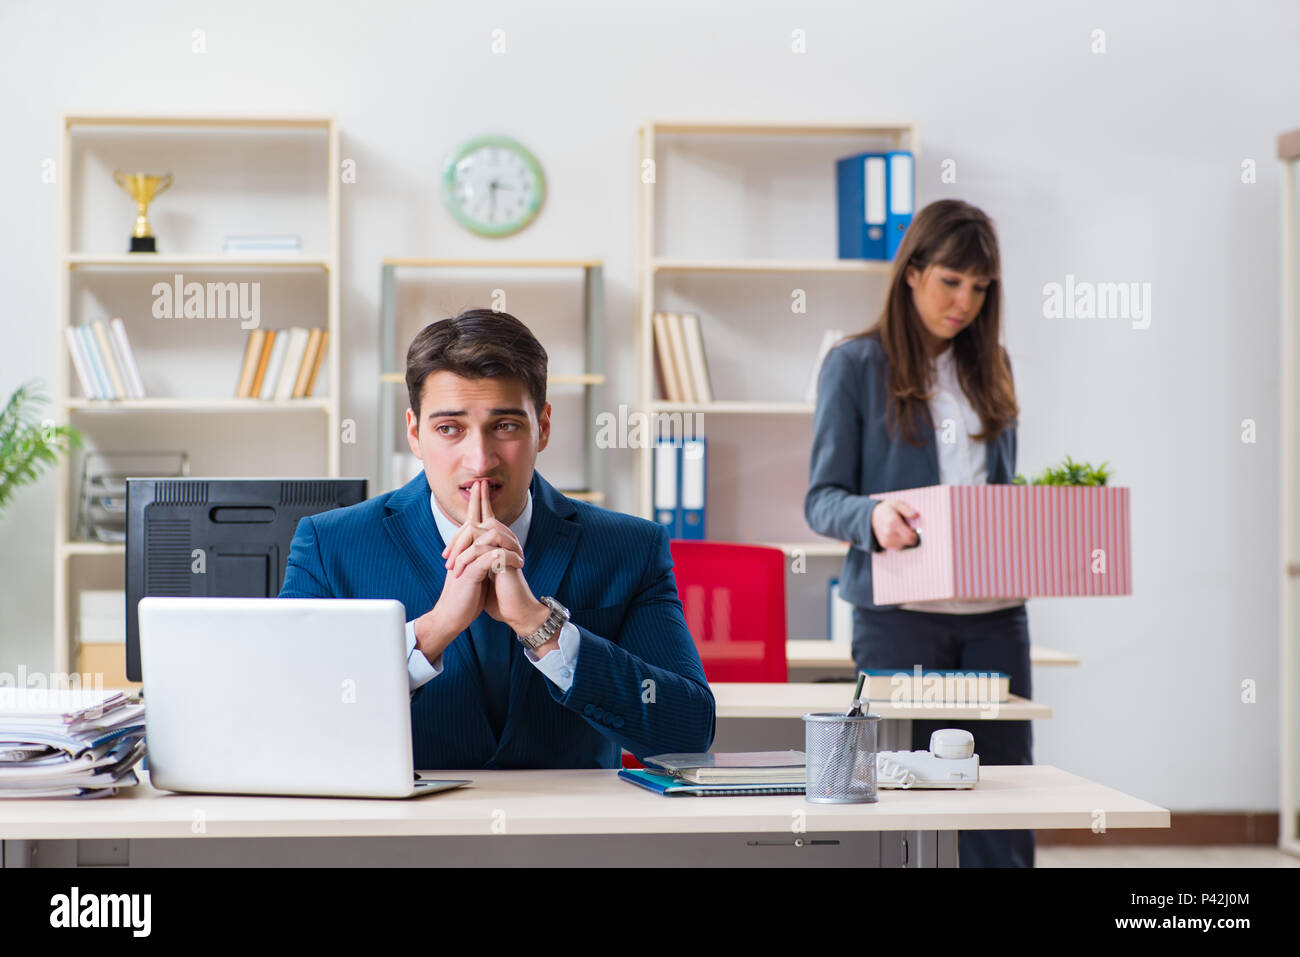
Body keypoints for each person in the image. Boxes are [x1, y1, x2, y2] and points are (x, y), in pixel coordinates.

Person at [281, 309, 715, 769]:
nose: (480, 460)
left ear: (542, 427)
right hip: (397, 833)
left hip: (573, 832)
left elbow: (686, 732)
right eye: (449, 428)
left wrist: (541, 628)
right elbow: (283, 716)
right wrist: (431, 633)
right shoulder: (330, 546)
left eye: (505, 426)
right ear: (414, 432)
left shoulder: (630, 548)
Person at [804, 199, 1033, 867]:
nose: (964, 301)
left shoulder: (994, 365)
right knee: (905, 785)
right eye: (951, 281)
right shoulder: (854, 365)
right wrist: (872, 518)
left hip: (996, 617)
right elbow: (822, 500)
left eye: (980, 287)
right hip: (901, 616)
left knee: (1001, 787)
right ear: (912, 273)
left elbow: (996, 488)